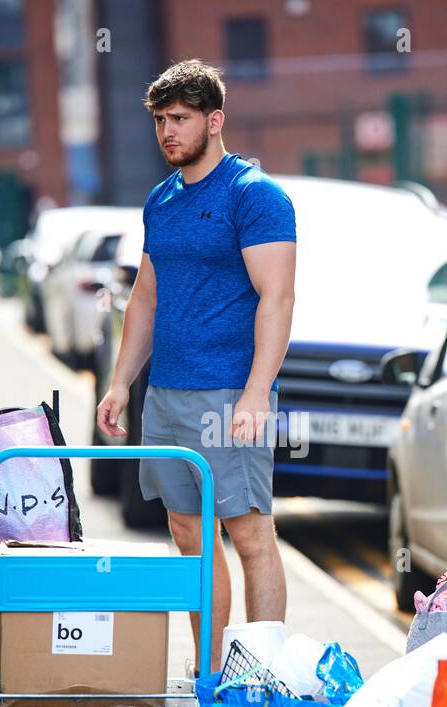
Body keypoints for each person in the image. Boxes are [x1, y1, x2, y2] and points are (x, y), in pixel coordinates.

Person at [95, 60, 297, 674]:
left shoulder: (254, 196)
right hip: (168, 397)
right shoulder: (161, 200)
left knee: (250, 536)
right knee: (189, 541)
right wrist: (120, 384)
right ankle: (208, 673)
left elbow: (278, 296)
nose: (167, 132)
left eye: (179, 119)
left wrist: (258, 392)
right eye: (160, 120)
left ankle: (263, 677)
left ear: (215, 120)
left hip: (231, 395)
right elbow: (148, 297)